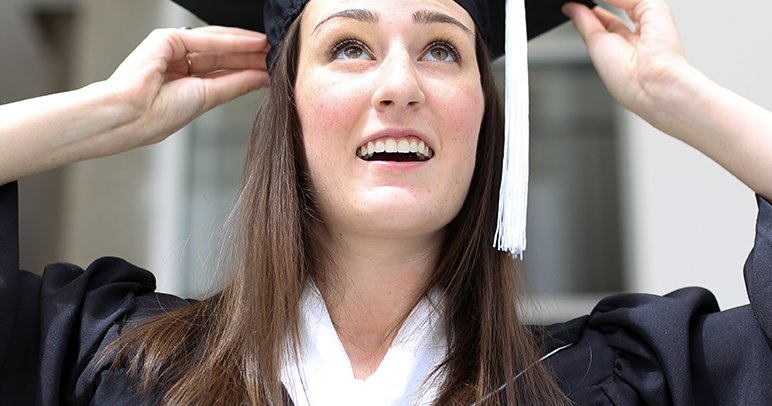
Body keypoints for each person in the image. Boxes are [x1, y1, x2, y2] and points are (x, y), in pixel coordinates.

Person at [1, 0, 771, 405]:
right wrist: (97, 115)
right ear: (288, 111)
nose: (400, 84)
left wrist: (684, 98)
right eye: (348, 47)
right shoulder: (112, 364)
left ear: (485, 113)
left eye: (442, 49)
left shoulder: (614, 381)